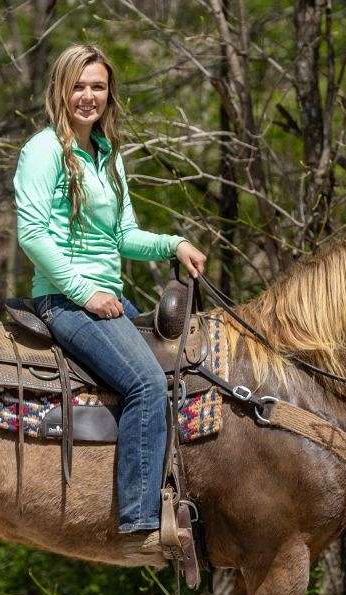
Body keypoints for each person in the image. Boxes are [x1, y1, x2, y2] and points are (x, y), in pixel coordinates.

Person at [13, 43, 208, 537]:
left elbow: (122, 236)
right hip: (64, 299)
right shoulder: (43, 151)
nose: (88, 96)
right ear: (61, 89)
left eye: (97, 86)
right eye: (78, 86)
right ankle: (141, 522)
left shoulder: (107, 154)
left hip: (108, 297)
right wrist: (83, 293)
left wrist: (174, 243)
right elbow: (33, 235)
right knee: (146, 384)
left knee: (186, 369)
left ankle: (177, 494)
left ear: (109, 94)